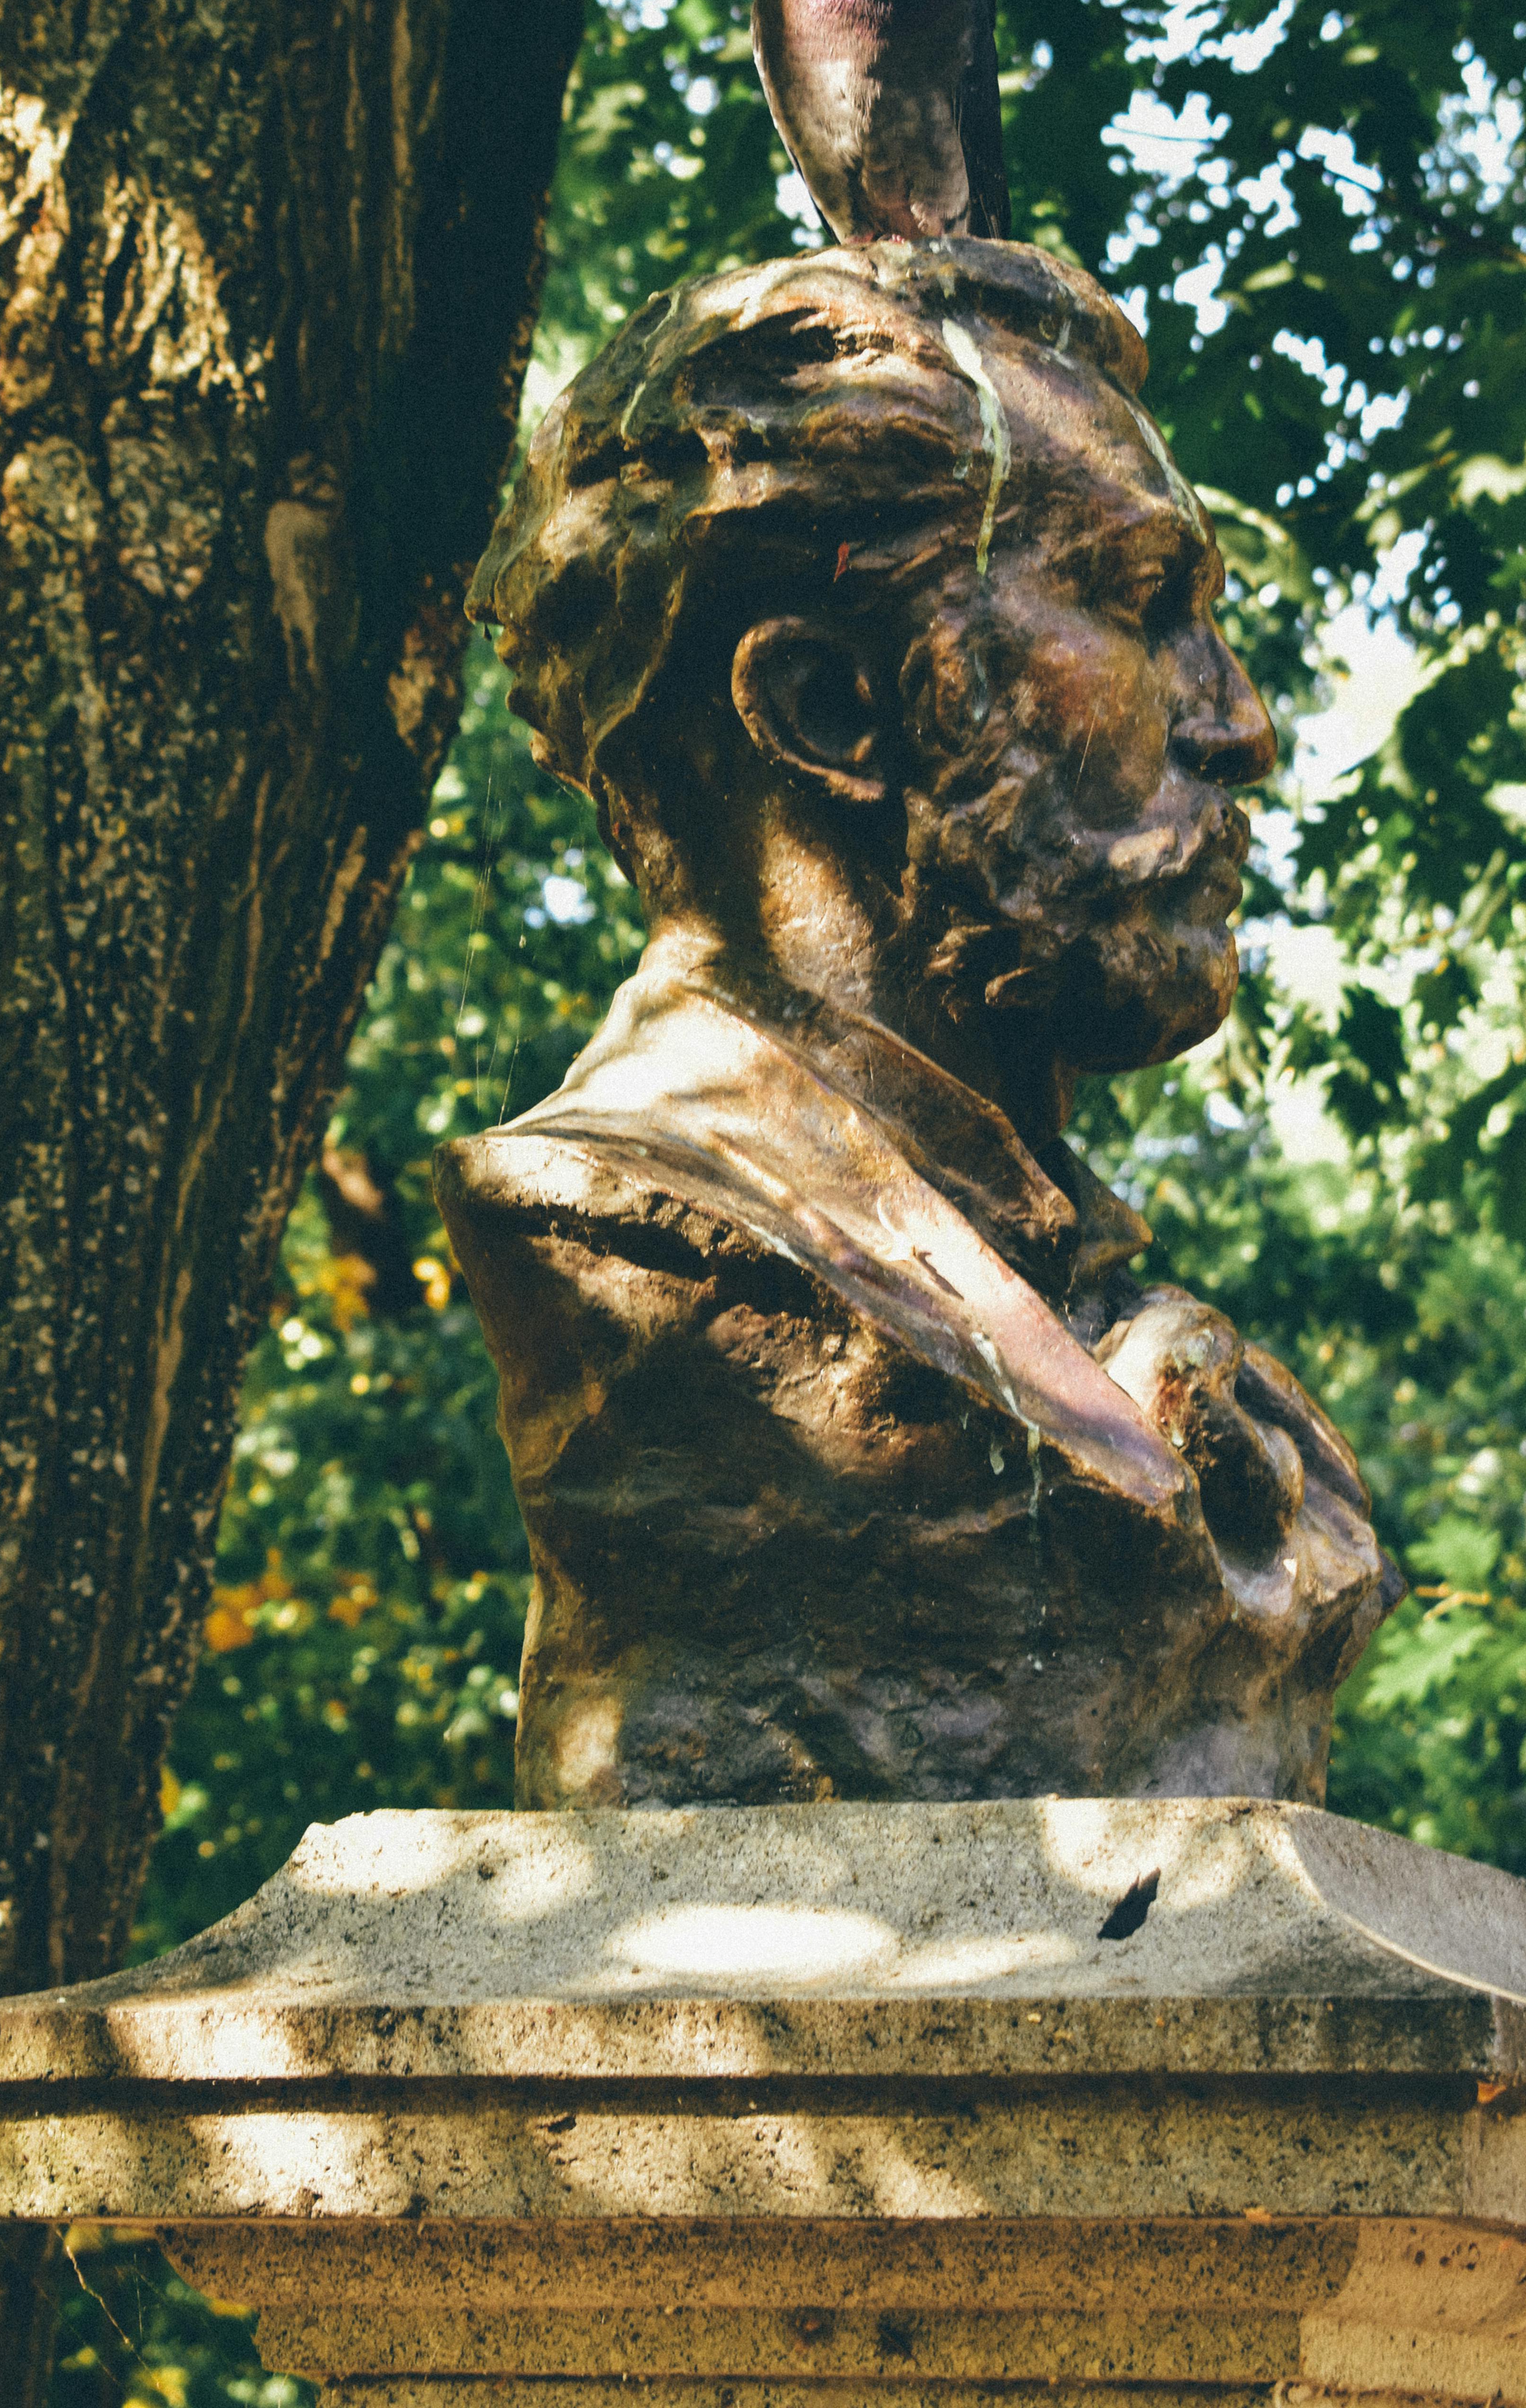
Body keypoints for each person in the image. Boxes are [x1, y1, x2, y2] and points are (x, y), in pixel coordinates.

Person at [435, 238, 1401, 1810]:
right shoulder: (658, 1236)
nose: (1242, 725)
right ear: (828, 713)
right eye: (1147, 604)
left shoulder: (1049, 1249)